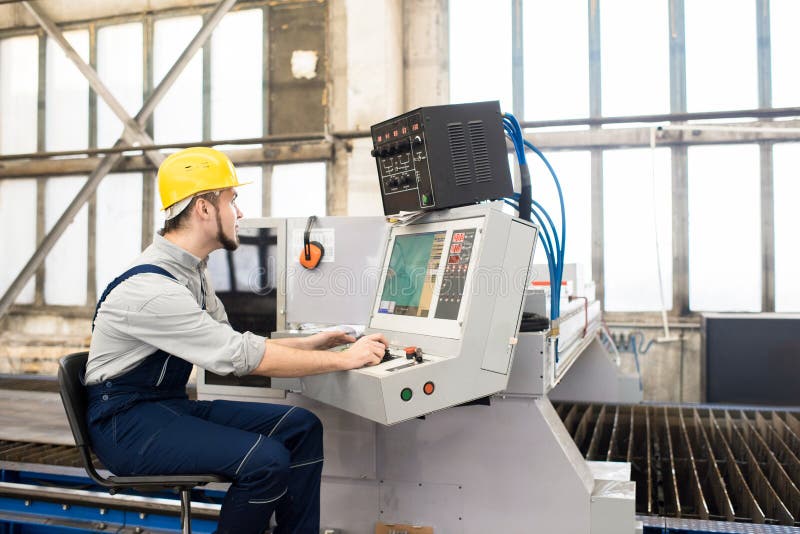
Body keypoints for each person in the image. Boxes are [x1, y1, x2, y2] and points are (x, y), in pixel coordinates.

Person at [84, 146, 387, 534]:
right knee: (265, 461)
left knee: (302, 426)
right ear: (204, 209)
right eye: (233, 200)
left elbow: (234, 342)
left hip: (165, 408)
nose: (240, 214)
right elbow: (241, 358)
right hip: (126, 427)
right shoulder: (152, 289)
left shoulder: (191, 273)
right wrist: (345, 360)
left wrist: (318, 343)